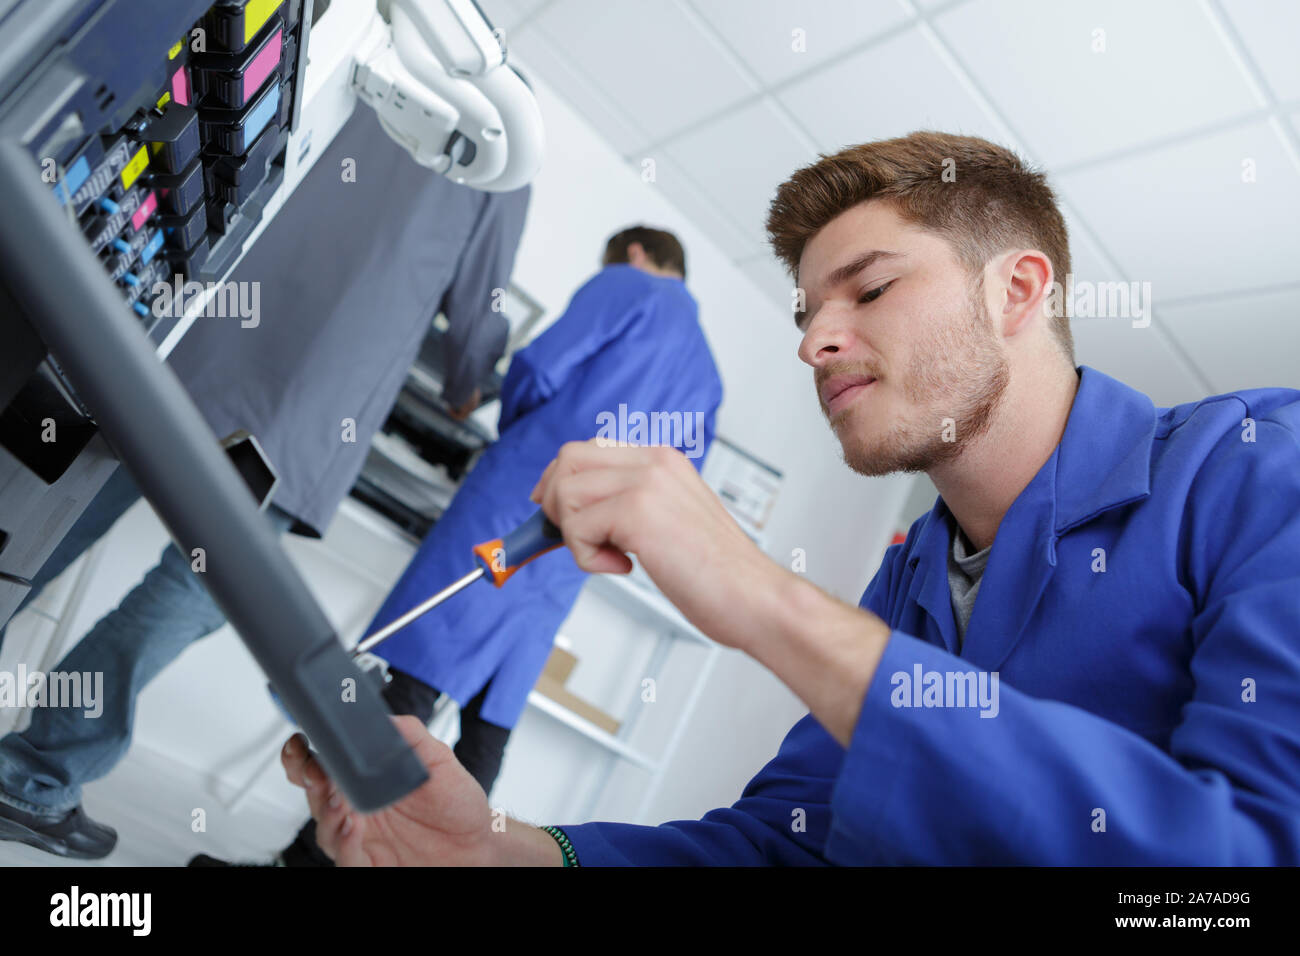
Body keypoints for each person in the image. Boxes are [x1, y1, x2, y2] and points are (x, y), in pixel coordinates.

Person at [281, 131, 1300, 866]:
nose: (814, 340)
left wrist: (764, 599)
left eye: (867, 289)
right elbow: (785, 841)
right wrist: (499, 851)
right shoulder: (909, 584)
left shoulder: (1256, 464)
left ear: (1018, 292)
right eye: (809, 312)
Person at [0, 103, 530, 860]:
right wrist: (468, 387)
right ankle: (33, 773)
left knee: (51, 520)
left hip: (188, 339)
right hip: (291, 411)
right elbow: (479, 317)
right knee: (188, 594)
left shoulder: (369, 52)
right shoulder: (501, 136)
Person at [248, 226, 724, 867]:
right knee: (487, 720)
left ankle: (301, 867)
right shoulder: (710, 379)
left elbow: (538, 366)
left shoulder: (630, 285)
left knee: (407, 681)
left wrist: (516, 426)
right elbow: (674, 483)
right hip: (572, 551)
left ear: (636, 255)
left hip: (518, 501)